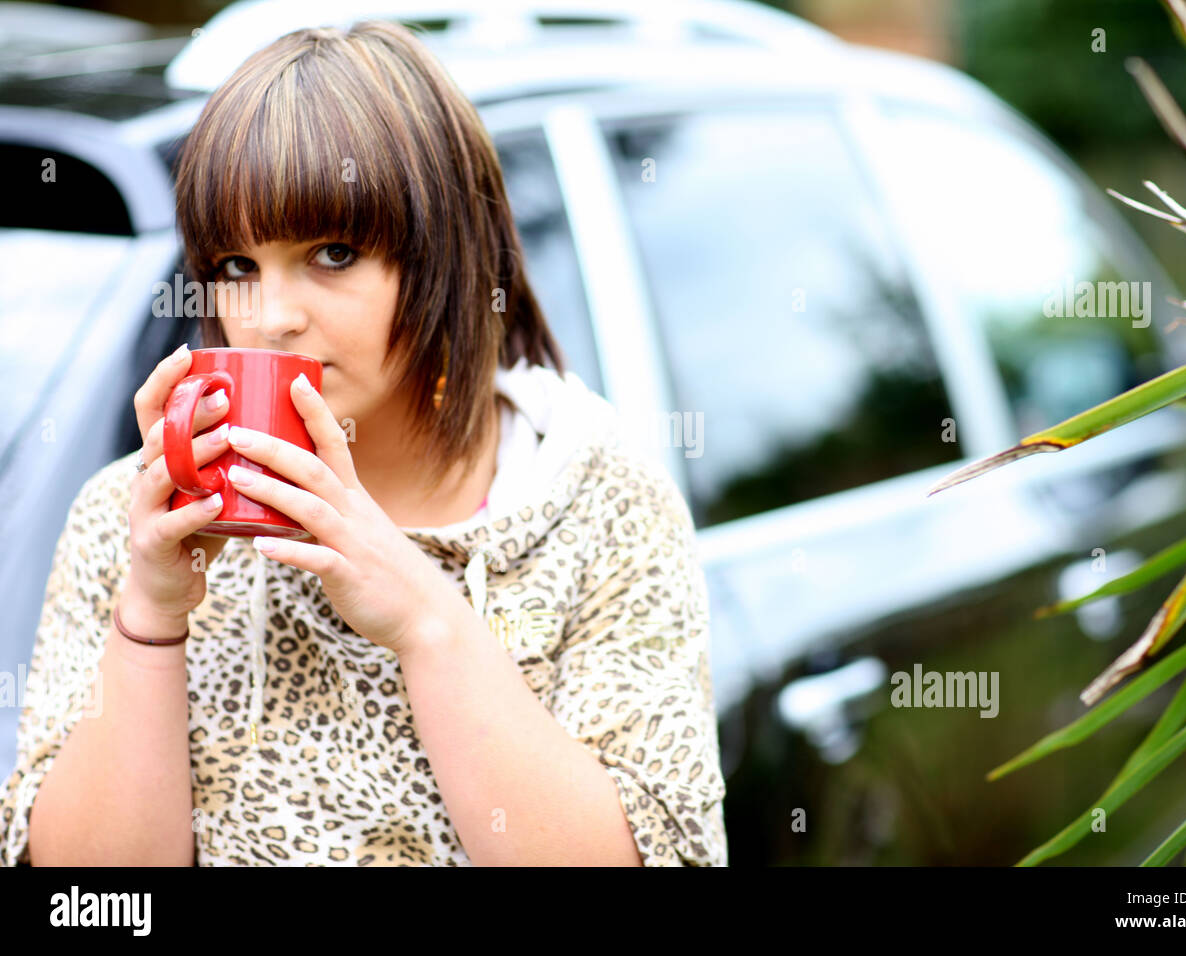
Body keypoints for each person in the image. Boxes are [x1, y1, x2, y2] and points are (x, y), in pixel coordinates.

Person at [0, 20, 726, 867]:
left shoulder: (596, 504)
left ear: (442, 257)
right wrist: (153, 617)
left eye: (332, 254)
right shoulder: (137, 520)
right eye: (237, 265)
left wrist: (424, 622)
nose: (272, 317)